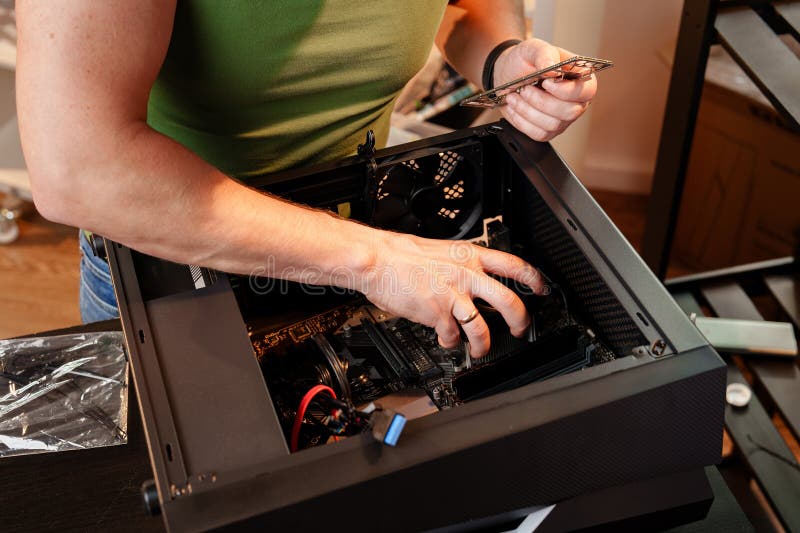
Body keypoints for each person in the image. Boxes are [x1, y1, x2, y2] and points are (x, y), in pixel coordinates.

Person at [16, 1, 597, 358]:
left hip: (360, 231)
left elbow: (465, 6)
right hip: (176, 263)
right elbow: (79, 164)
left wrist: (501, 58)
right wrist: (373, 261)